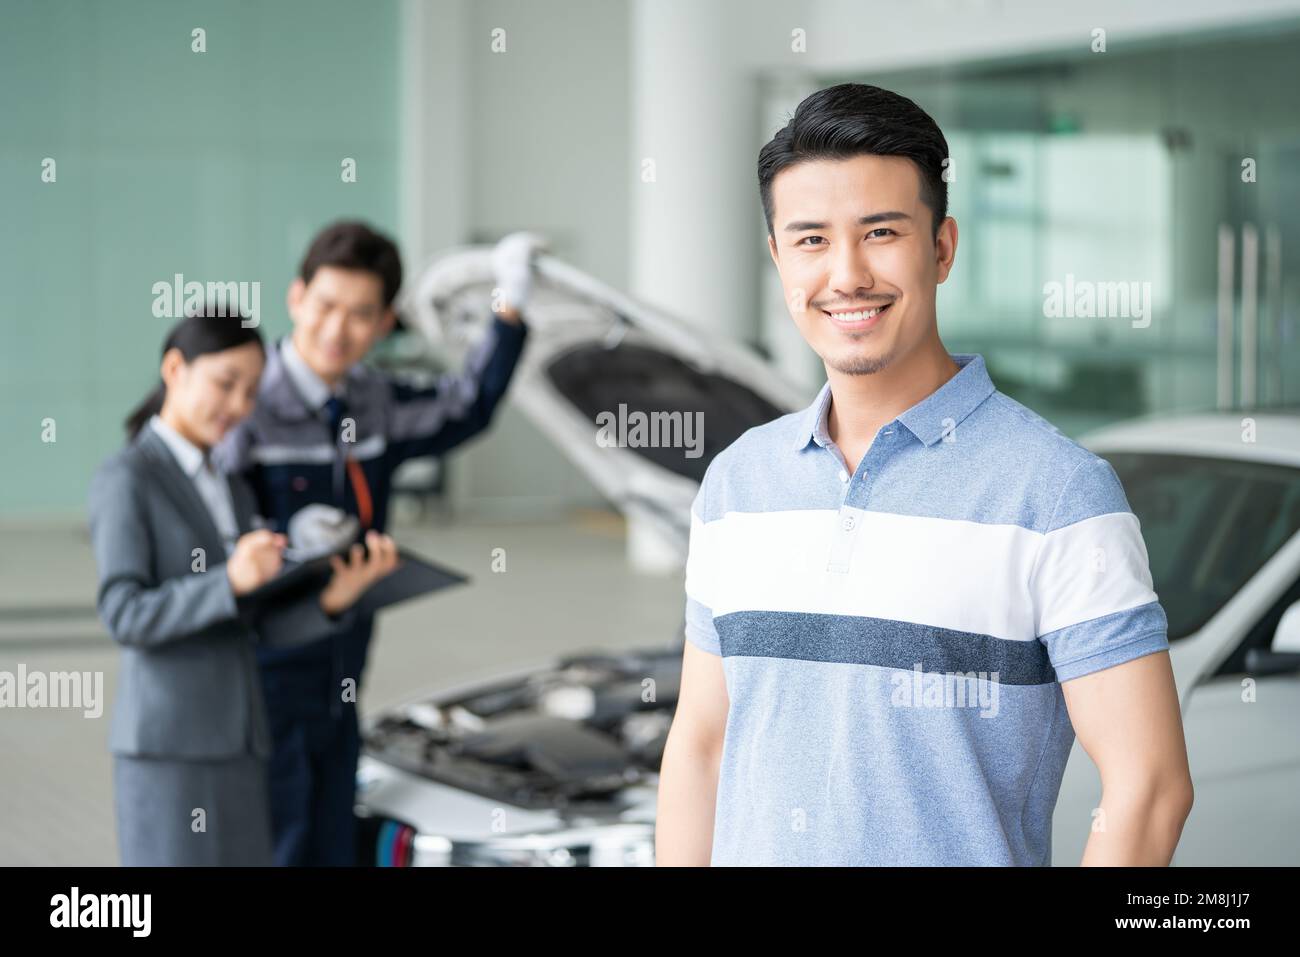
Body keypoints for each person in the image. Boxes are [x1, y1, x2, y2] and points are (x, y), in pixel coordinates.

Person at [656, 83, 1194, 866]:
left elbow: (1149, 784)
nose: (846, 274)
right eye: (811, 239)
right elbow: (701, 747)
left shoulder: (1056, 490)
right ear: (778, 258)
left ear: (941, 247)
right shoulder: (736, 484)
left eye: (880, 232)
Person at [212, 222, 534, 865]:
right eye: (325, 306)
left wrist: (510, 304)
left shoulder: (375, 402)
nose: (338, 331)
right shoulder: (242, 407)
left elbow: (466, 406)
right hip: (261, 670)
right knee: (279, 837)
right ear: (296, 298)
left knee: (333, 831)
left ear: (386, 322)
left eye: (361, 315)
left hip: (344, 659)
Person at [89, 308, 399, 866]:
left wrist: (332, 601)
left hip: (243, 740)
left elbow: (247, 622)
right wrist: (228, 580)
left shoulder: (226, 482)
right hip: (173, 747)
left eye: (251, 391)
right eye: (225, 384)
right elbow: (124, 613)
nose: (237, 407)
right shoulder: (129, 478)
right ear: (175, 368)